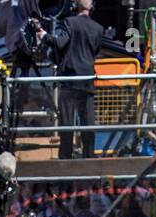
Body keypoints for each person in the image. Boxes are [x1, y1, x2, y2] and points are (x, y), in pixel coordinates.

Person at [48, 0, 105, 160]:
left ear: (75, 6)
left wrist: (44, 36)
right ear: (91, 7)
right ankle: (89, 157)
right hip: (87, 79)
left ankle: (66, 157)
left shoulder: (69, 23)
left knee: (67, 123)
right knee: (87, 122)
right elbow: (96, 52)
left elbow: (59, 44)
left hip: (69, 80)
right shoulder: (98, 29)